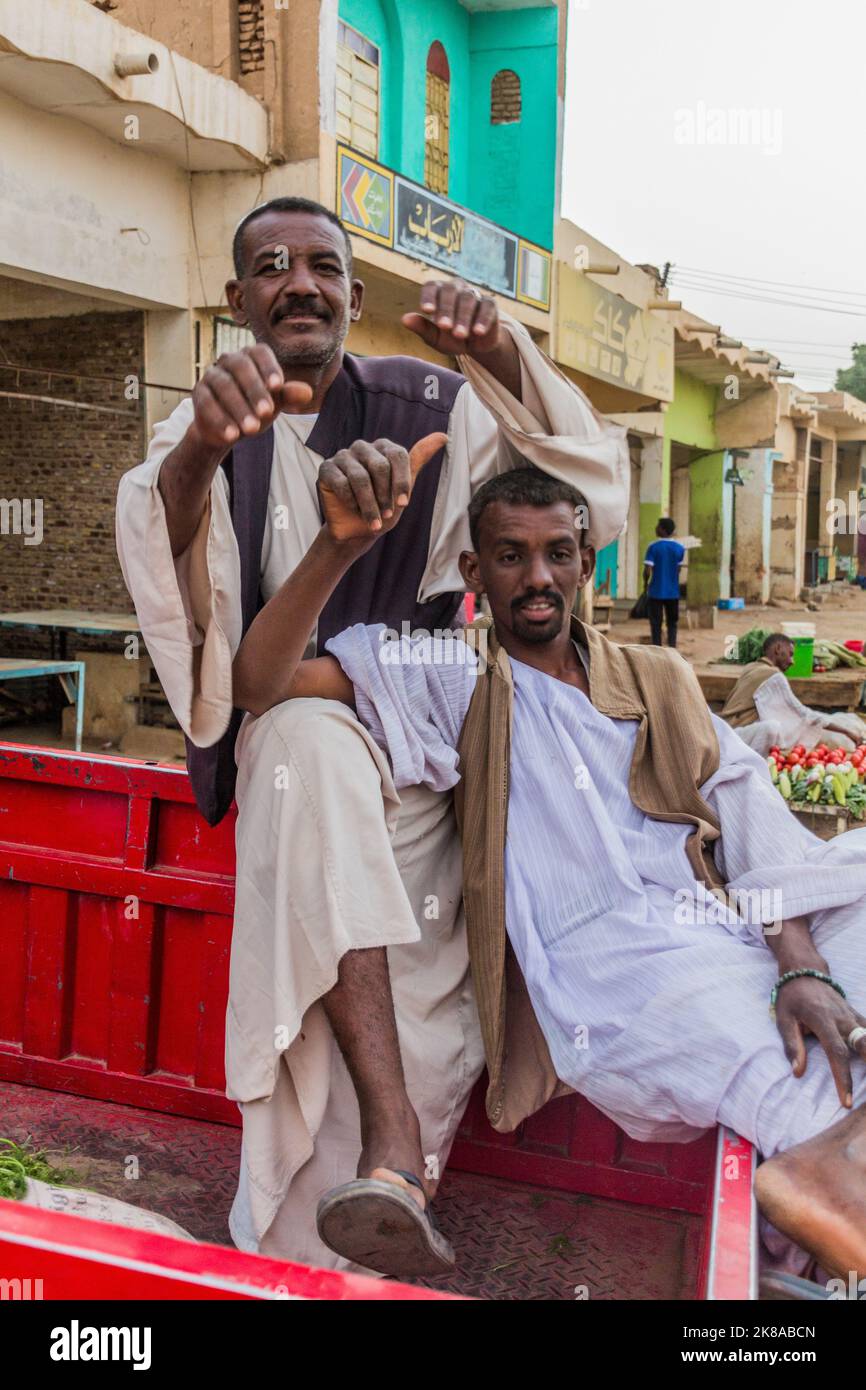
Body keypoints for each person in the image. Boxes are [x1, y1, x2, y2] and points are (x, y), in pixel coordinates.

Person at [115, 195, 630, 1276]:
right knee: (303, 741)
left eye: (321, 265)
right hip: (297, 736)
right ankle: (325, 1219)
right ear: (238, 298)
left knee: (426, 1003)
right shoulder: (210, 416)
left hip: (422, 740)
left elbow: (581, 501)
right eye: (270, 266)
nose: (297, 282)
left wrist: (499, 349)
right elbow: (179, 590)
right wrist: (204, 451)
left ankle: (390, 1192)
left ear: (352, 290)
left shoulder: (428, 400)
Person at [257, 461, 866, 1282]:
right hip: (611, 971)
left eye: (557, 554)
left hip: (720, 920)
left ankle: (832, 1167)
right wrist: (335, 549)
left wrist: (798, 960)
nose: (537, 577)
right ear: (475, 572)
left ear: (586, 561)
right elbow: (258, 686)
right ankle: (815, 1175)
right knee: (795, 1069)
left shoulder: (659, 678)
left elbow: (753, 815)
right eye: (509, 556)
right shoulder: (449, 675)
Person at [721, 632, 866, 756]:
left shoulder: (751, 667)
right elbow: (803, 713)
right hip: (735, 737)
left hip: (725, 731)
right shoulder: (773, 676)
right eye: (790, 654)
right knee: (773, 728)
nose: (792, 662)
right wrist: (847, 732)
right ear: (778, 649)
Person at [643, 517, 684, 647]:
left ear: (664, 530)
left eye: (658, 526)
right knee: (672, 622)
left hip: (656, 591)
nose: (656, 528)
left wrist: (645, 584)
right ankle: (672, 647)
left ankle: (657, 648)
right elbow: (678, 570)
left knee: (656, 623)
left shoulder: (653, 547)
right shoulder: (680, 548)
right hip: (673, 592)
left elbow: (647, 570)